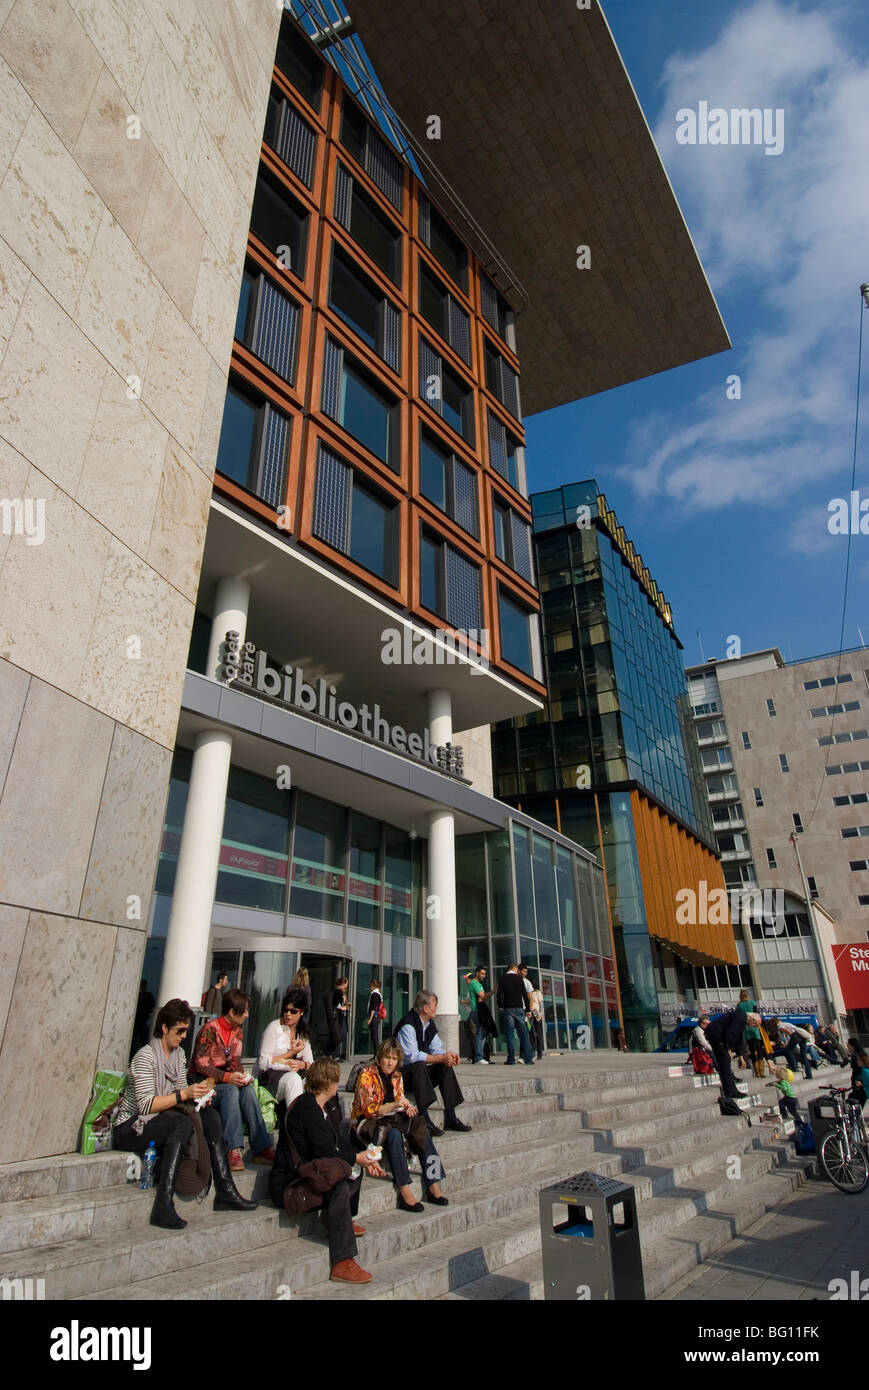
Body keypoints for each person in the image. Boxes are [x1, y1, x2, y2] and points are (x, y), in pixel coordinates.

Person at [114, 998, 258, 1229]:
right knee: (180, 1124)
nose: (183, 1036)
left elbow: (181, 1090)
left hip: (161, 1118)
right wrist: (184, 1095)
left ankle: (225, 1189)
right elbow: (145, 1105)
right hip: (132, 1125)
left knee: (210, 1116)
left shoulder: (179, 1055)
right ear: (164, 1028)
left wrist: (199, 1095)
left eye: (185, 1031)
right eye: (179, 1031)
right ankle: (163, 1203)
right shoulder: (145, 1056)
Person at [270, 1057, 384, 1285]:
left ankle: (341, 1219)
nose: (337, 1085)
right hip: (291, 1184)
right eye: (335, 1080)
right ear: (326, 1083)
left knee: (351, 1166)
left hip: (310, 1174)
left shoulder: (323, 1107)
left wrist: (362, 1159)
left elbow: (333, 1148)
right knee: (341, 1180)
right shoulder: (307, 1108)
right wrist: (358, 1159)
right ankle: (342, 1261)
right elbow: (324, 1151)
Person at [352, 1039, 447, 1211]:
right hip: (369, 1123)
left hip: (392, 1117)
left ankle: (434, 1180)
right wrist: (394, 1106)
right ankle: (404, 1188)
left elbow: (400, 1099)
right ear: (380, 1057)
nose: (390, 1062)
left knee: (421, 1128)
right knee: (394, 1134)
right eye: (387, 1057)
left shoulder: (397, 1076)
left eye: (394, 1059)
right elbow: (368, 1109)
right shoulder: (367, 1074)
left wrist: (407, 1108)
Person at [190, 988, 276, 1171]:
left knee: (247, 1090)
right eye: (243, 1011)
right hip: (205, 1085)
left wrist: (241, 1076)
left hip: (225, 1081)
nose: (246, 1015)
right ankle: (232, 1148)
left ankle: (262, 1146)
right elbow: (201, 1064)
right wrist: (228, 1077)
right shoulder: (210, 1030)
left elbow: (235, 1061)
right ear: (231, 1012)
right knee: (230, 1090)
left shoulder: (237, 1032)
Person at [396, 990, 470, 1135]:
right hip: (402, 1077)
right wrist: (440, 1058)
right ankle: (424, 1119)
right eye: (434, 1005)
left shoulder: (428, 1025)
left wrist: (448, 1057)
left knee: (444, 1066)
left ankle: (451, 1117)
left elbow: (436, 1048)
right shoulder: (408, 1025)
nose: (436, 1008)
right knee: (419, 1065)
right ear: (425, 1008)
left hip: (418, 1076)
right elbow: (412, 1056)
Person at [258, 988, 314, 1108]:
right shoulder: (274, 1028)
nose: (288, 1014)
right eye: (285, 1010)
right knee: (293, 1079)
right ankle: (295, 1123)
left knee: (315, 1081)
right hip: (271, 1080)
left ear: (301, 1012)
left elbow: (311, 1064)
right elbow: (262, 1064)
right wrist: (291, 1053)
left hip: (295, 1077)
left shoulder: (302, 1034)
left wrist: (302, 1065)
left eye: (293, 1011)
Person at [705, 1008, 761, 1098]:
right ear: (753, 1020)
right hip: (716, 1035)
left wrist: (741, 1057)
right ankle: (729, 1091)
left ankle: (732, 1089)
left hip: (719, 1036)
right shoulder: (741, 1016)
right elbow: (732, 1033)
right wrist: (728, 1049)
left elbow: (739, 1040)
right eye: (755, 1025)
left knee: (725, 1061)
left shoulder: (742, 1019)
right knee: (724, 1061)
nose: (753, 1027)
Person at [497, 964, 535, 1066]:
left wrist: (501, 1006)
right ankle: (528, 1059)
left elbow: (500, 995)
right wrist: (527, 1010)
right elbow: (525, 995)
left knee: (510, 1035)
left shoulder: (502, 979)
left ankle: (511, 1059)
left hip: (508, 1009)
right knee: (524, 1035)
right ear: (515, 969)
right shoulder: (519, 979)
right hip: (519, 1009)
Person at [465, 966, 493, 1065]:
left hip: (478, 1011)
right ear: (477, 973)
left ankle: (479, 1056)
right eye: (482, 973)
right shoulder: (475, 983)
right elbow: (483, 996)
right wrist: (493, 991)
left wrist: (484, 997)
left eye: (485, 974)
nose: (484, 976)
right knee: (480, 1033)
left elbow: (482, 998)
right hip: (476, 1011)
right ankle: (478, 1057)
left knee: (482, 1033)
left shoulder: (478, 984)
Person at [737, 989, 765, 1077]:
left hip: (747, 1028)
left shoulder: (739, 1005)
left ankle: (756, 1072)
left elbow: (738, 1016)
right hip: (755, 1027)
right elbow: (757, 1014)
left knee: (752, 1050)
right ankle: (762, 1071)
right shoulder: (752, 1003)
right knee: (759, 1048)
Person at [325, 976, 350, 1060]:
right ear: (343, 984)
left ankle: (333, 1053)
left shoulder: (341, 992)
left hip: (340, 1017)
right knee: (339, 1035)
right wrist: (342, 1008)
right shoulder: (338, 991)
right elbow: (335, 1003)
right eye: (346, 984)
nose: (347, 986)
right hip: (338, 1017)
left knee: (339, 1035)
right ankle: (332, 1052)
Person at [131, 979, 155, 1055]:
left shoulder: (147, 995)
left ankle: (142, 1055)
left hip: (142, 1021)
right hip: (137, 1021)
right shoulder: (136, 994)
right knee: (137, 1040)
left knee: (141, 1040)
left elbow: (152, 1007)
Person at [847, 1038, 869, 1109]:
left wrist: (857, 1079)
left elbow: (860, 1069)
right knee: (856, 1099)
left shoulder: (855, 1055)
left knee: (856, 1101)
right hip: (860, 1082)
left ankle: (856, 1116)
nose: (847, 1046)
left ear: (853, 1046)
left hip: (859, 1082)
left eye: (848, 1045)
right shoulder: (858, 1054)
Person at [366, 977, 384, 1054]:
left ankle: (377, 1054)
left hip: (375, 1017)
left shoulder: (375, 995)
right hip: (376, 1017)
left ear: (373, 986)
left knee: (374, 1036)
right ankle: (376, 1053)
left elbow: (374, 1007)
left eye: (370, 985)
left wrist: (370, 1019)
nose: (370, 986)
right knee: (374, 1035)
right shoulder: (378, 994)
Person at [528, 978, 545, 1061]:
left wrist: (541, 1014)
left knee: (538, 1034)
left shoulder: (537, 992)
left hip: (537, 1014)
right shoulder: (529, 993)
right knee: (530, 1033)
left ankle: (539, 1053)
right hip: (530, 1014)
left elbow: (541, 1004)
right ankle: (532, 1052)